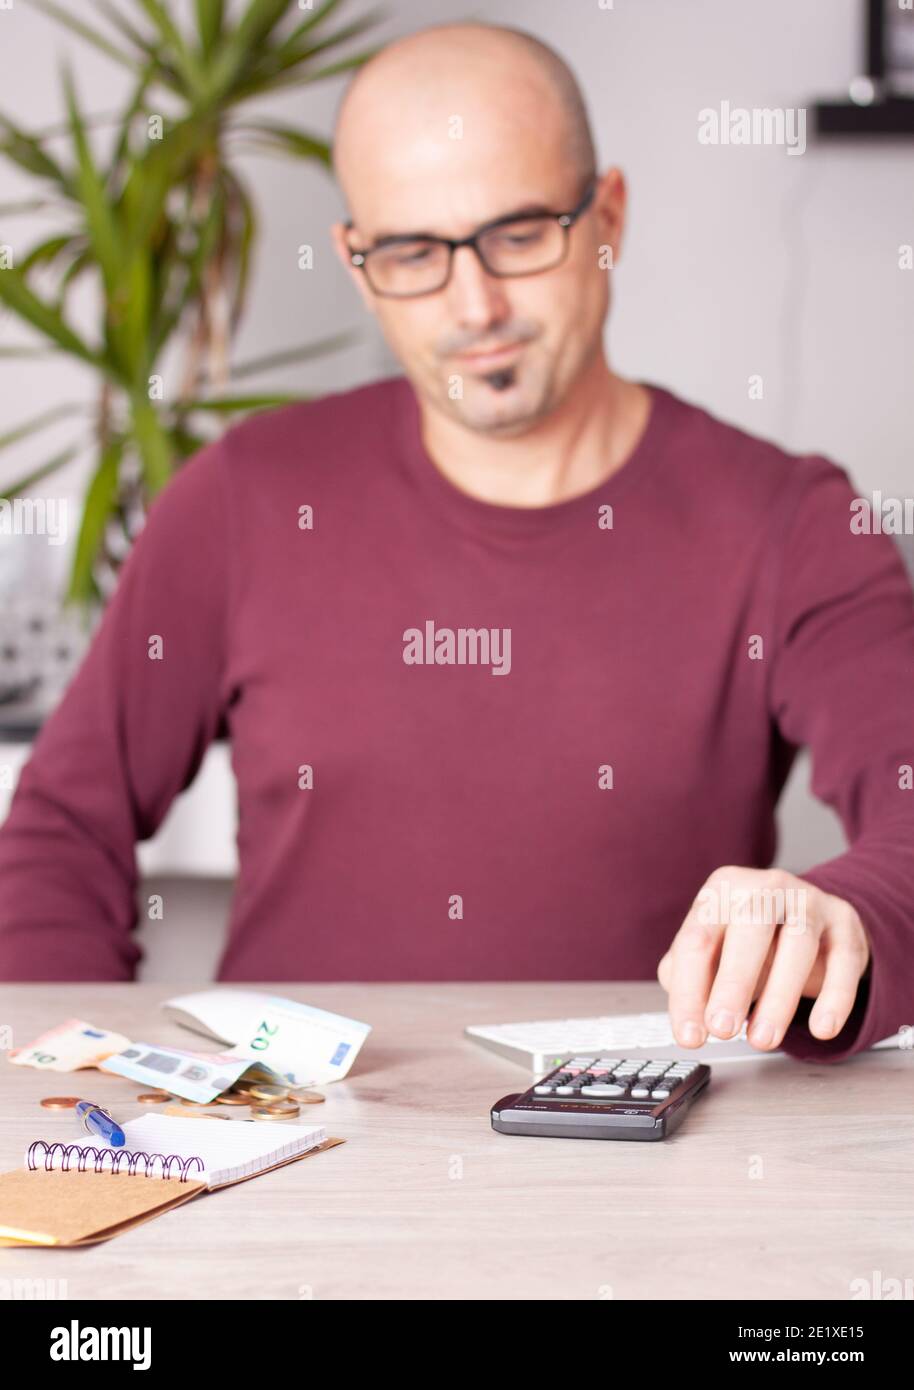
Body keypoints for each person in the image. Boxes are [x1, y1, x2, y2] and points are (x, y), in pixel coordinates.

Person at [0, 22, 911, 1065]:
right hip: (296, 1146)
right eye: (412, 254)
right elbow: (62, 827)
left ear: (606, 217)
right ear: (358, 264)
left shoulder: (793, 522)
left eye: (518, 235)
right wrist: (82, 1078)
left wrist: (842, 917)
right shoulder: (241, 498)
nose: (475, 306)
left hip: (641, 1137)